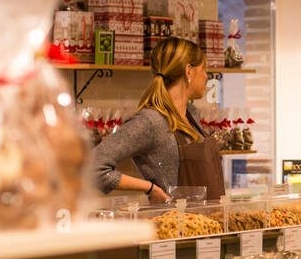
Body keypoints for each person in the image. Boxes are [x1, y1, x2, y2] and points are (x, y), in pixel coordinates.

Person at [92, 37, 224, 201]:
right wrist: (150, 188)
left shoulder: (192, 114)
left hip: (208, 223)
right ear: (188, 71)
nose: (206, 76)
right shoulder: (150, 122)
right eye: (203, 69)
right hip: (174, 224)